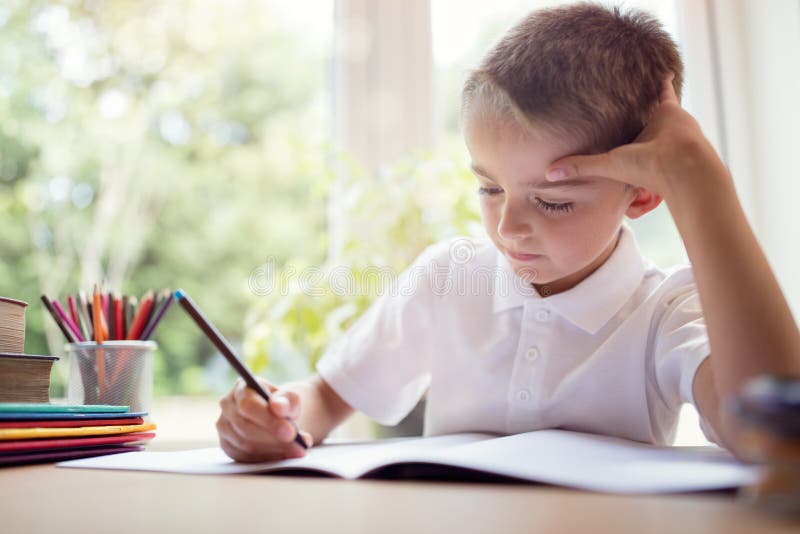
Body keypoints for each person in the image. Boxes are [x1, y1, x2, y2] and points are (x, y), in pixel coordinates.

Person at [216, 3, 800, 462]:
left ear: (643, 193)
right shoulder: (449, 277)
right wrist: (279, 416)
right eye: (490, 188)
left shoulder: (667, 311)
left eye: (553, 200)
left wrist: (703, 185)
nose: (508, 225)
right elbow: (327, 398)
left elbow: (775, 434)